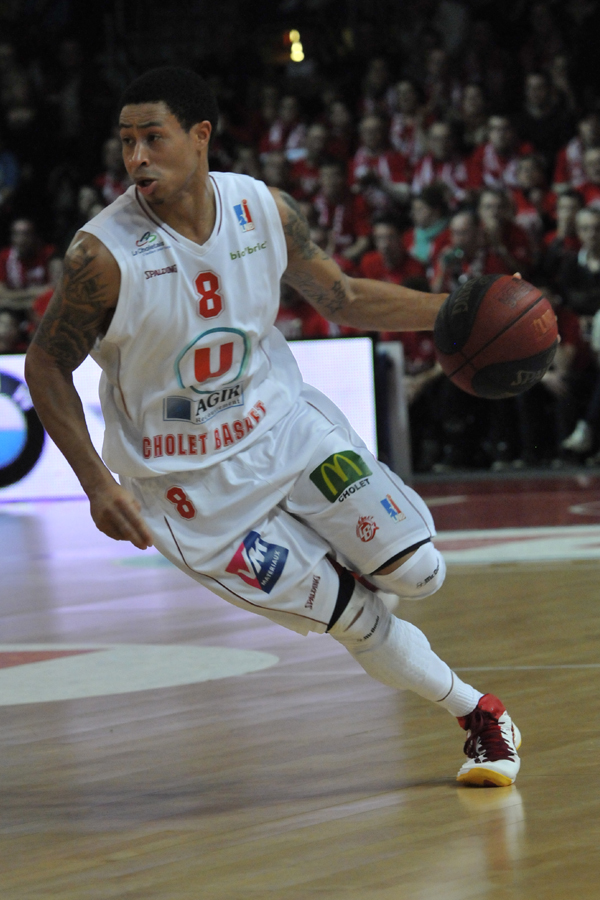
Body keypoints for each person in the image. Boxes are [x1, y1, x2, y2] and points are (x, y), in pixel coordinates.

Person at [25, 67, 521, 788]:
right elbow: (45, 366)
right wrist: (96, 483)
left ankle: (360, 568)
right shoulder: (100, 256)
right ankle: (481, 715)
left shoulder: (263, 210)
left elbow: (343, 296)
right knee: (357, 623)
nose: (135, 158)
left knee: (419, 574)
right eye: (126, 142)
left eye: (152, 139)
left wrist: (459, 312)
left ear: (200, 138)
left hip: (285, 428)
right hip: (188, 493)